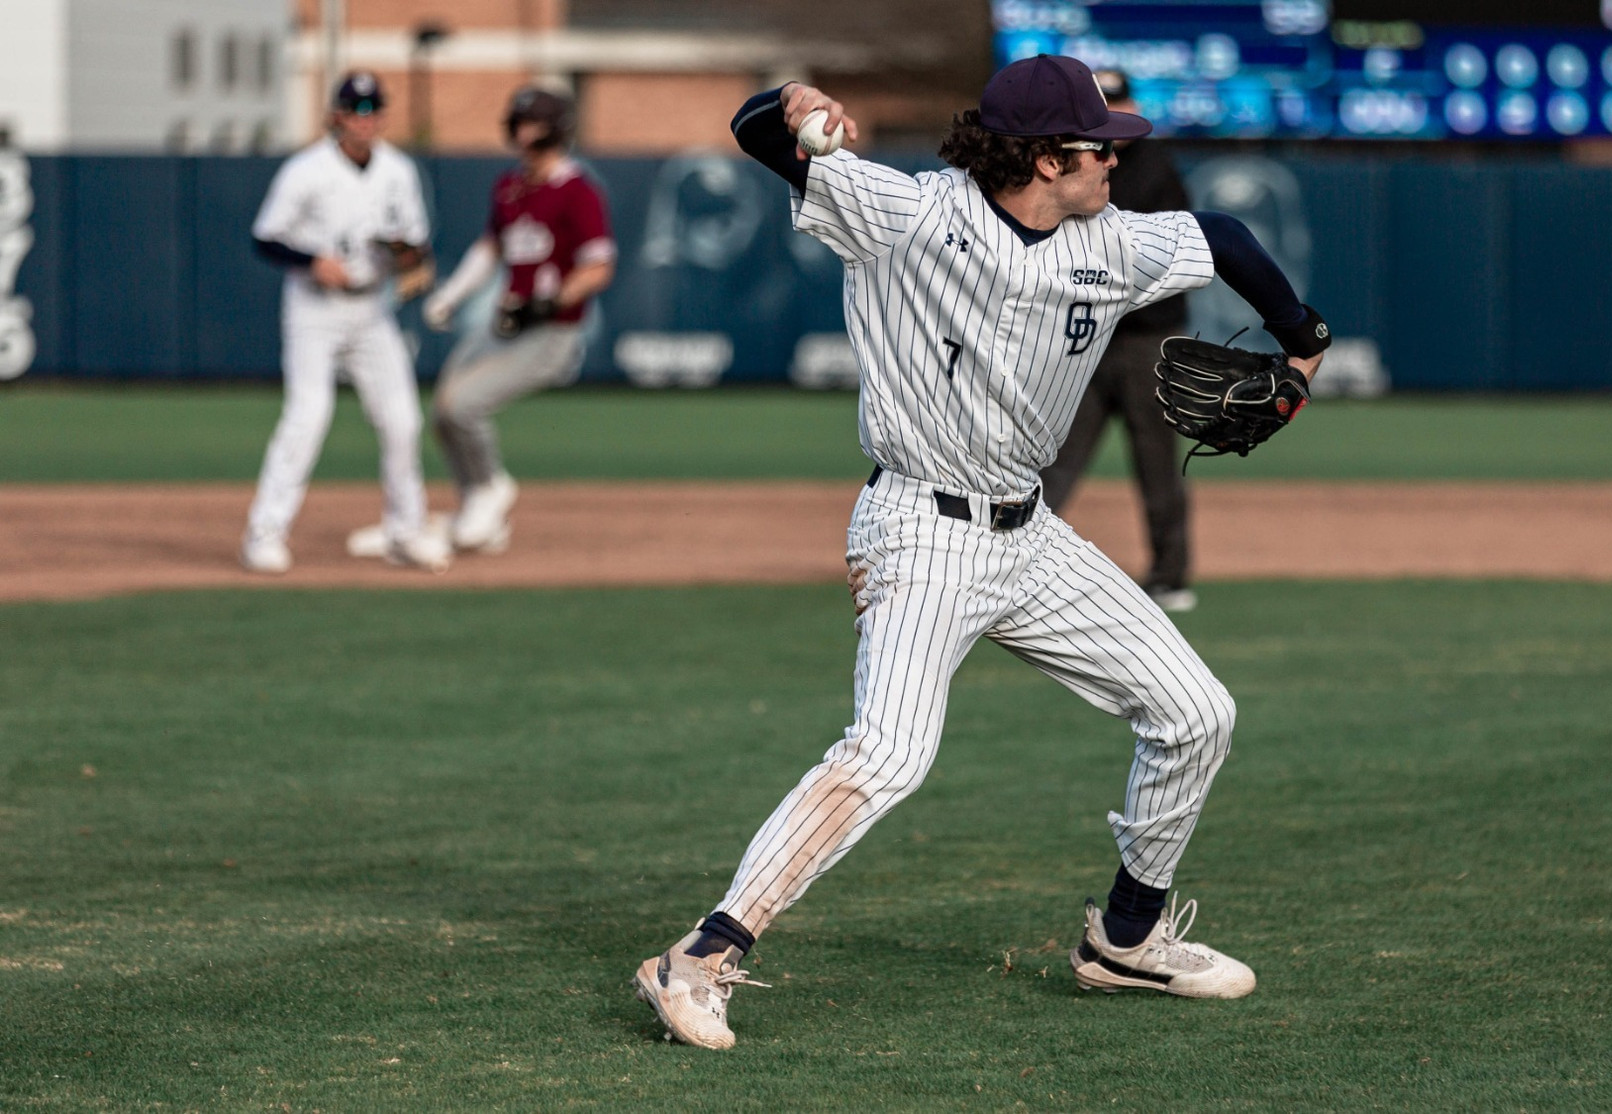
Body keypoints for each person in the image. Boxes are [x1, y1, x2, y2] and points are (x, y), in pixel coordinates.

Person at [633, 55, 1330, 1051]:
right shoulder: (906, 213)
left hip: (1030, 535)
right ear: (1046, 159)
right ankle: (697, 957)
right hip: (919, 528)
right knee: (889, 753)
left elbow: (1221, 238)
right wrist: (794, 99)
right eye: (1100, 148)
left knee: (1195, 714)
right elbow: (756, 134)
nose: (1116, 162)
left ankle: (1126, 939)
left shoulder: (1110, 240)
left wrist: (1302, 339)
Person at [388, 86, 615, 556]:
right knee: (444, 413)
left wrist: (551, 302)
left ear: (555, 130)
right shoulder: (510, 187)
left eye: (531, 123)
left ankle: (492, 488)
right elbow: (491, 248)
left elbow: (598, 266)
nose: (522, 132)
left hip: (552, 331)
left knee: (463, 406)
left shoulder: (577, 191)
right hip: (505, 320)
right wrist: (450, 295)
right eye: (519, 122)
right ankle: (480, 509)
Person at [241, 71, 449, 574]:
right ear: (336, 116)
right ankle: (264, 533)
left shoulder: (397, 171)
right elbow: (265, 237)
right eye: (358, 110)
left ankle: (405, 531)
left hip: (372, 309)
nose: (368, 119)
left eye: (375, 109)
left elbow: (416, 243)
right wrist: (312, 261)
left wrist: (409, 260)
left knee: (402, 420)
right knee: (308, 416)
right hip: (315, 308)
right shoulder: (306, 170)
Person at [1038, 69, 1198, 613]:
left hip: (1146, 343)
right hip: (1085, 340)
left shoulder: (1155, 169)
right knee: (1054, 456)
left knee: (1157, 463)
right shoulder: (1074, 166)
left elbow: (1173, 255)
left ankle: (1171, 574)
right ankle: (1014, 561)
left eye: (1120, 101)